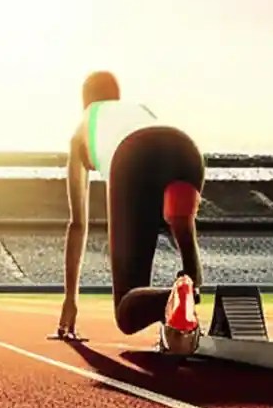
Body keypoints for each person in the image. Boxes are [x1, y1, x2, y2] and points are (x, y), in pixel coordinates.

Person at [54, 71, 205, 356]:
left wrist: (70, 300)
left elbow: (77, 222)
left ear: (84, 101)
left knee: (126, 312)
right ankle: (187, 303)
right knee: (183, 233)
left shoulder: (83, 126)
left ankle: (173, 298)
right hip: (185, 150)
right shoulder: (139, 110)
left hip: (133, 157)